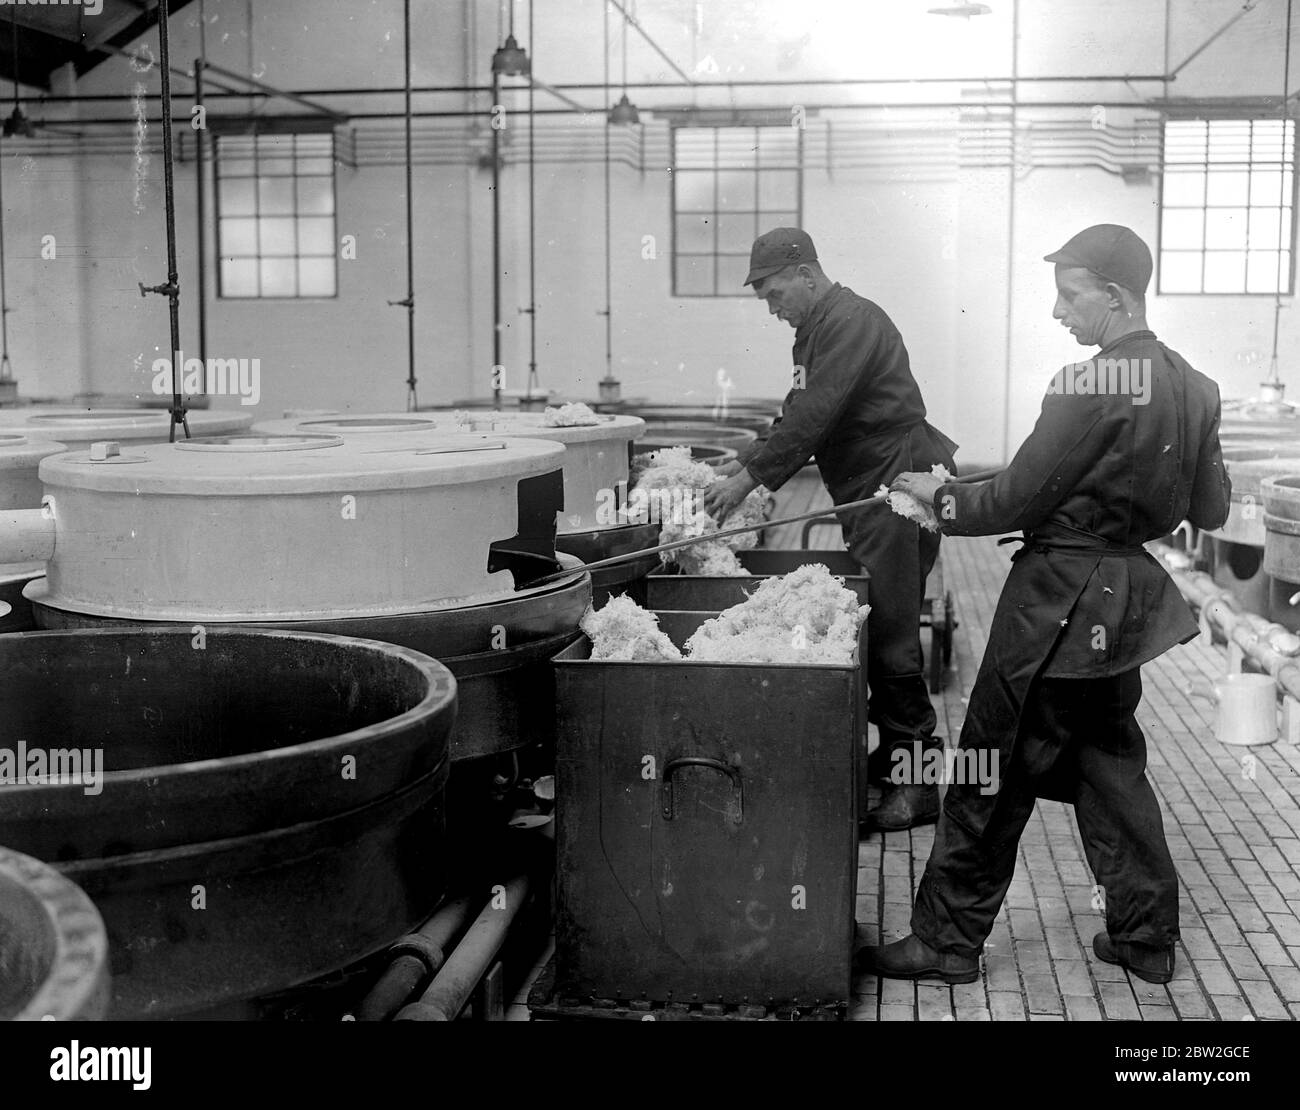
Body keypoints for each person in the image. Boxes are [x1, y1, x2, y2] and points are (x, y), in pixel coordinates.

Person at [859, 224, 1230, 986]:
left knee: (988, 767)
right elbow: (1214, 508)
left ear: (1116, 295)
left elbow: (1014, 497)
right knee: (1108, 765)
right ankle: (1144, 935)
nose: (1059, 313)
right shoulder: (1196, 386)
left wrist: (939, 497)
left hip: (1055, 610)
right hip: (1124, 608)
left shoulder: (1083, 385)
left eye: (1070, 296)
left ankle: (946, 940)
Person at [703, 227, 958, 833]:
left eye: (772, 292)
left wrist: (748, 484)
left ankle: (919, 784)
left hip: (894, 483)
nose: (771, 307)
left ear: (807, 275)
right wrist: (743, 463)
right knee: (879, 620)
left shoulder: (851, 322)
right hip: (867, 487)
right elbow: (797, 410)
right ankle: (894, 758)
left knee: (894, 627)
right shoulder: (815, 332)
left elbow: (817, 416)